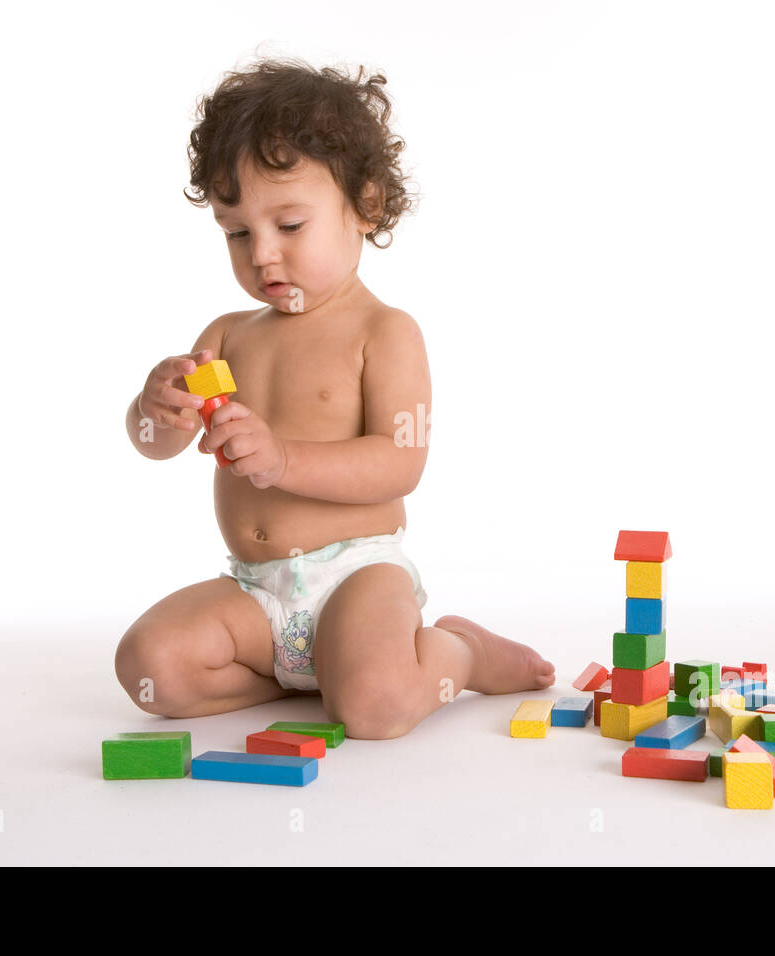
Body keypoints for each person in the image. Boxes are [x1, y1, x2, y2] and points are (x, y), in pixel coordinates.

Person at [115, 58, 554, 739]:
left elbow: (400, 464)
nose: (262, 254)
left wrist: (282, 459)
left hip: (355, 579)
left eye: (289, 226)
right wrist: (154, 408)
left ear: (366, 205)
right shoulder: (226, 336)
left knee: (375, 708)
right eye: (238, 232)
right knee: (150, 667)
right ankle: (304, 674)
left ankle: (459, 654)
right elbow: (160, 445)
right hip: (255, 593)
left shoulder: (384, 332)